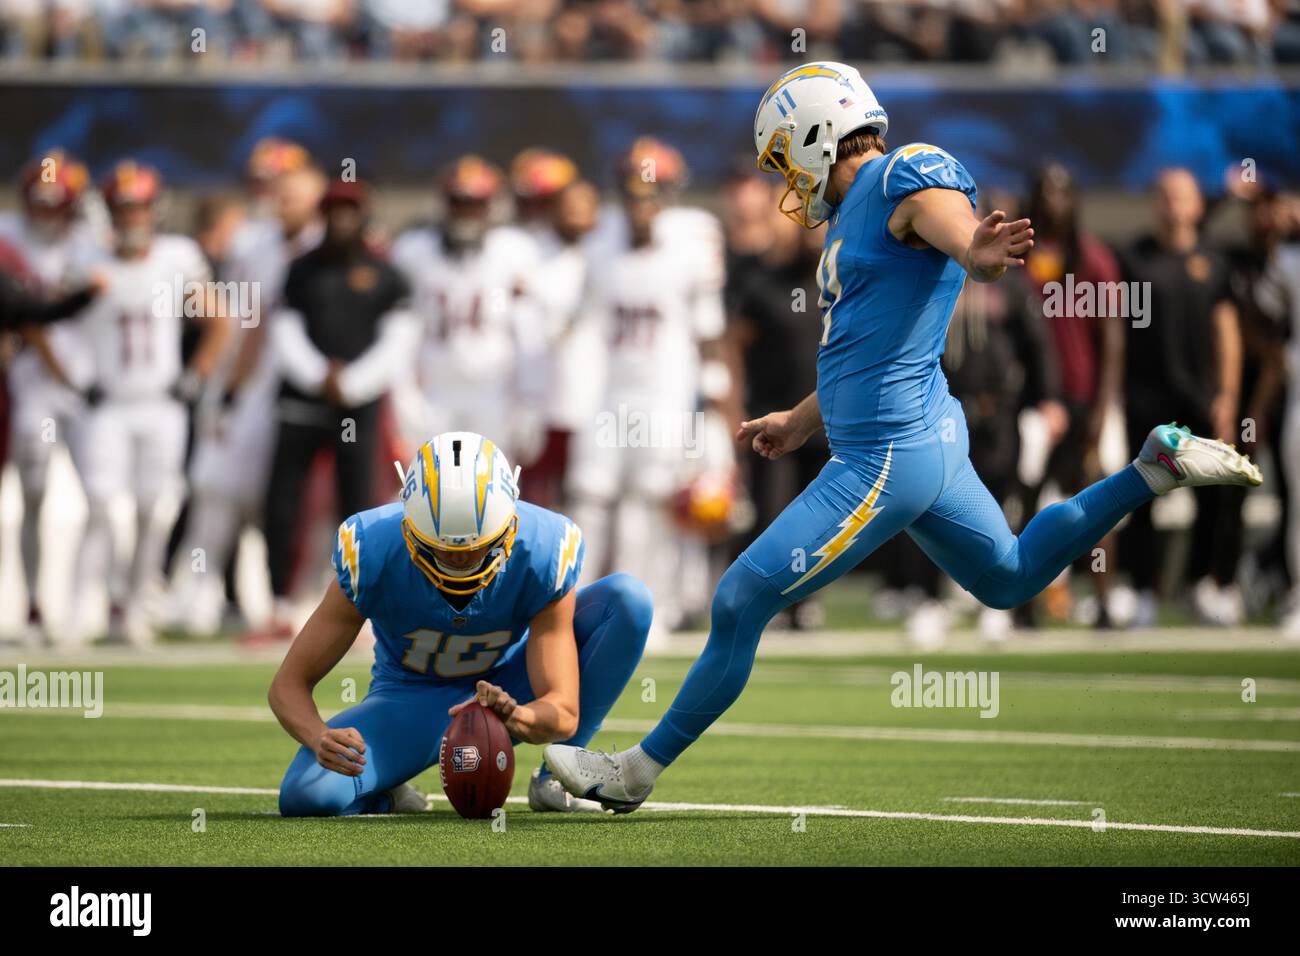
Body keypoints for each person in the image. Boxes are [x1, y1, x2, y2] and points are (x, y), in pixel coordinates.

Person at [543, 61, 1263, 811]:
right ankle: (1152, 467)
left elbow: (937, 210)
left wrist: (973, 250)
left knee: (738, 600)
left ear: (819, 134)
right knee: (1009, 577)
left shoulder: (898, 176)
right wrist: (801, 417)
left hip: (884, 456)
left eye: (788, 157)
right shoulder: (858, 212)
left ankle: (634, 773)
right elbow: (866, 343)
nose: (790, 181)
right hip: (922, 439)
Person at [270, 431, 652, 815]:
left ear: (509, 524)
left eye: (476, 550)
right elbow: (287, 685)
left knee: (627, 602)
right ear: (410, 528)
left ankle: (560, 775)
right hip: (409, 702)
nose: (460, 564)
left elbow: (564, 711)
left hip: (506, 687)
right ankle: (386, 791)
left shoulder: (541, 548)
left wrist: (515, 714)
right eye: (442, 551)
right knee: (307, 796)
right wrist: (319, 736)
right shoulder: (373, 547)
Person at [69, 161, 231, 646]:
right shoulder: (86, 259)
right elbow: (52, 323)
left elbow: (219, 320)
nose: (132, 219)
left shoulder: (177, 257)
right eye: (123, 209)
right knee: (102, 506)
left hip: (161, 403)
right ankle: (85, 606)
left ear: (153, 211)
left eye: (139, 208)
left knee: (156, 510)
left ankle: (136, 607)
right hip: (107, 404)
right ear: (109, 212)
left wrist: (195, 376)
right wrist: (76, 378)